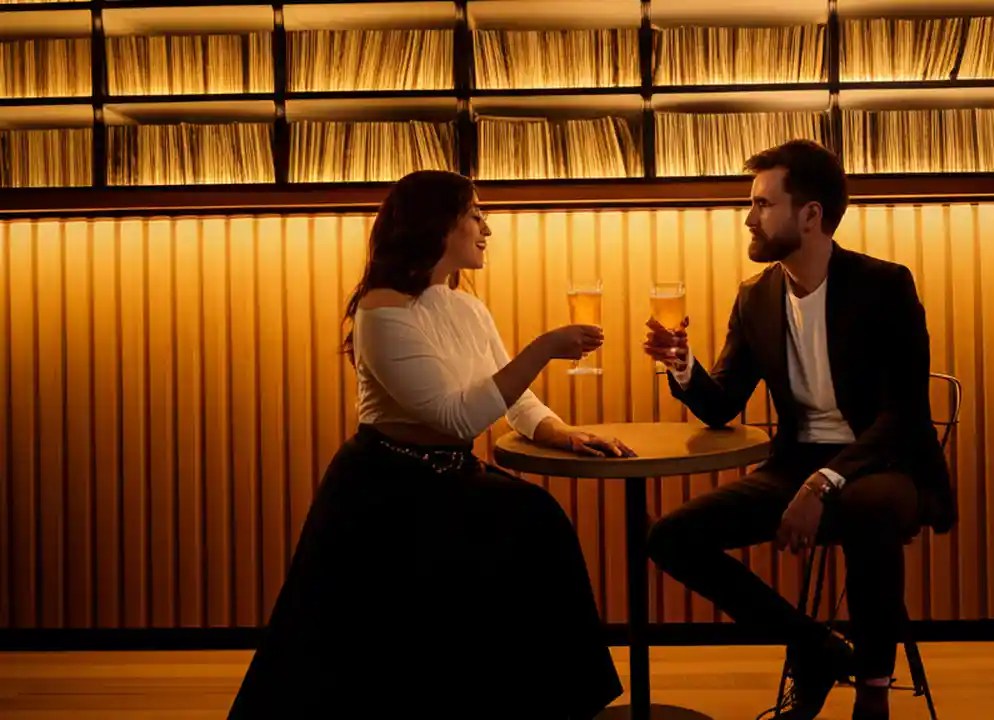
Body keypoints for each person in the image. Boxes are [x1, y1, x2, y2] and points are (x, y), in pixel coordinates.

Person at [229, 170, 628, 719]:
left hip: (449, 474)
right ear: (438, 224)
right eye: (474, 214)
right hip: (386, 488)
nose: (486, 228)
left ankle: (550, 702)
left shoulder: (465, 307)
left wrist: (563, 432)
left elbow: (513, 399)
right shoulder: (381, 311)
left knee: (538, 520)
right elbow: (454, 413)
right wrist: (542, 348)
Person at [642, 140, 956, 720]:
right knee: (669, 537)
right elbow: (722, 406)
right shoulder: (756, 297)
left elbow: (904, 413)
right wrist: (682, 366)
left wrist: (823, 484)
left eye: (763, 204)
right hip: (794, 464)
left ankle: (873, 694)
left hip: (882, 464)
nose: (748, 218)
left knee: (868, 510)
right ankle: (816, 648)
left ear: (810, 215)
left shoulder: (884, 285)